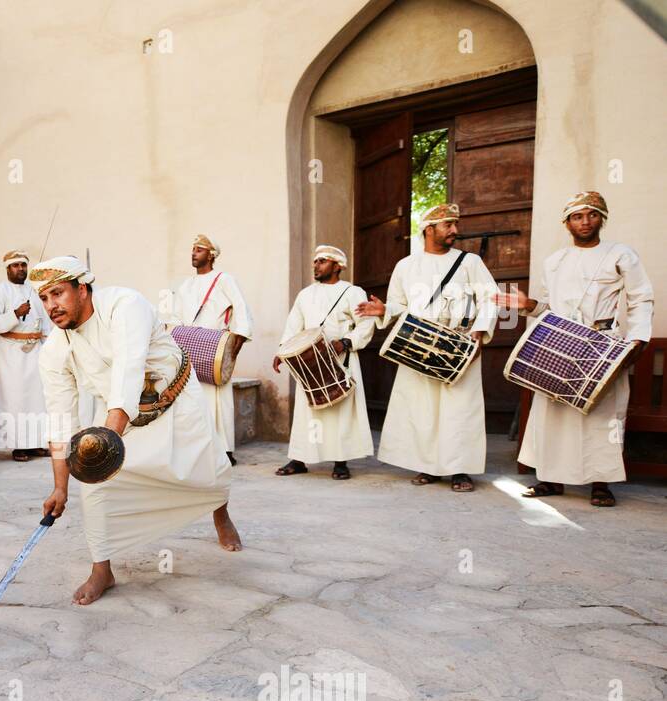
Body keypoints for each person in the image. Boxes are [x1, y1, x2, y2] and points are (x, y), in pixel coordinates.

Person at [34, 256, 239, 606]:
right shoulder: (54, 350)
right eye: (44, 299)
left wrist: (109, 441)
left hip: (174, 397)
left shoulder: (124, 305)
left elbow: (128, 370)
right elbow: (60, 419)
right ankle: (102, 569)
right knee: (95, 487)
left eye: (57, 294)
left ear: (81, 289)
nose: (51, 306)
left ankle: (219, 511)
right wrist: (60, 486)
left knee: (207, 471)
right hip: (118, 413)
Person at [494, 191, 654, 507]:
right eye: (577, 216)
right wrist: (528, 306)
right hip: (559, 343)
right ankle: (550, 479)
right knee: (553, 412)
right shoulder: (555, 262)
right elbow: (549, 308)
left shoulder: (621, 254)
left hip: (602, 343)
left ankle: (601, 483)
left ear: (601, 219)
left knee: (601, 413)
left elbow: (640, 297)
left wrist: (637, 340)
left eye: (592, 215)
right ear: (567, 222)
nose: (585, 222)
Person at [357, 203, 499, 492]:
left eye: (455, 224)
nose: (455, 230)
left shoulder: (470, 262)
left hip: (459, 343)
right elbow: (401, 305)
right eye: (448, 225)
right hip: (418, 344)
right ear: (428, 229)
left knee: (459, 409)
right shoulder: (406, 266)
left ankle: (459, 469)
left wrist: (480, 330)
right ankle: (427, 465)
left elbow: (490, 297)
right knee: (422, 409)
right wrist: (385, 308)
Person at [273, 245, 375, 480]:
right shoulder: (305, 294)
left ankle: (341, 462)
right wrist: (282, 351)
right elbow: (293, 325)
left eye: (322, 261)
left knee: (340, 411)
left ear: (337, 266)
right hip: (309, 362)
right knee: (306, 411)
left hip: (341, 360)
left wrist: (347, 342)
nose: (316, 265)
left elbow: (366, 324)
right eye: (315, 261)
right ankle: (299, 459)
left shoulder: (352, 292)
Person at [160, 234, 253, 465]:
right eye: (192, 249)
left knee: (218, 399)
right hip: (190, 345)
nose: (193, 253)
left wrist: (235, 346)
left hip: (216, 347)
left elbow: (241, 309)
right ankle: (198, 447)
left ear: (211, 255)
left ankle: (225, 450)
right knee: (192, 396)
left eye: (199, 249)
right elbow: (175, 315)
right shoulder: (186, 284)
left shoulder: (224, 279)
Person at [0, 249, 52, 461]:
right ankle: (18, 446)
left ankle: (36, 443)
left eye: (23, 265)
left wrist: (49, 345)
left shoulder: (36, 290)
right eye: (16, 265)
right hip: (10, 354)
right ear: (8, 268)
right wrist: (15, 314)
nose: (20, 269)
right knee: (14, 400)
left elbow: (46, 321)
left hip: (35, 351)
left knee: (36, 399)